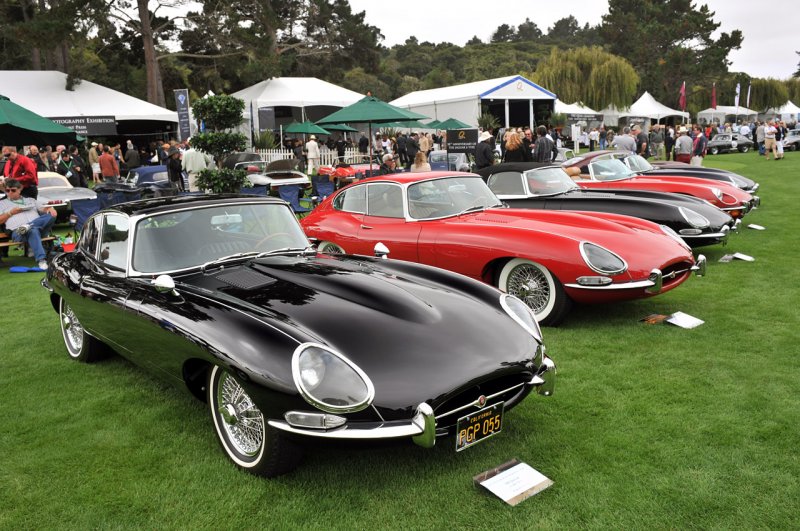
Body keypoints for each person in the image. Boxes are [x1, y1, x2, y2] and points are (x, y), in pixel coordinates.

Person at [0, 178, 57, 269]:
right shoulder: (2, 203)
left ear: (20, 189)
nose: (10, 193)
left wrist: (50, 208)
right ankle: (41, 260)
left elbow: (44, 208)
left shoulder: (30, 200)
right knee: (33, 231)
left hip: (40, 229)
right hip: (18, 231)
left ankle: (28, 225)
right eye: (7, 190)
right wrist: (10, 213)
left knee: (52, 215)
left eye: (13, 190)